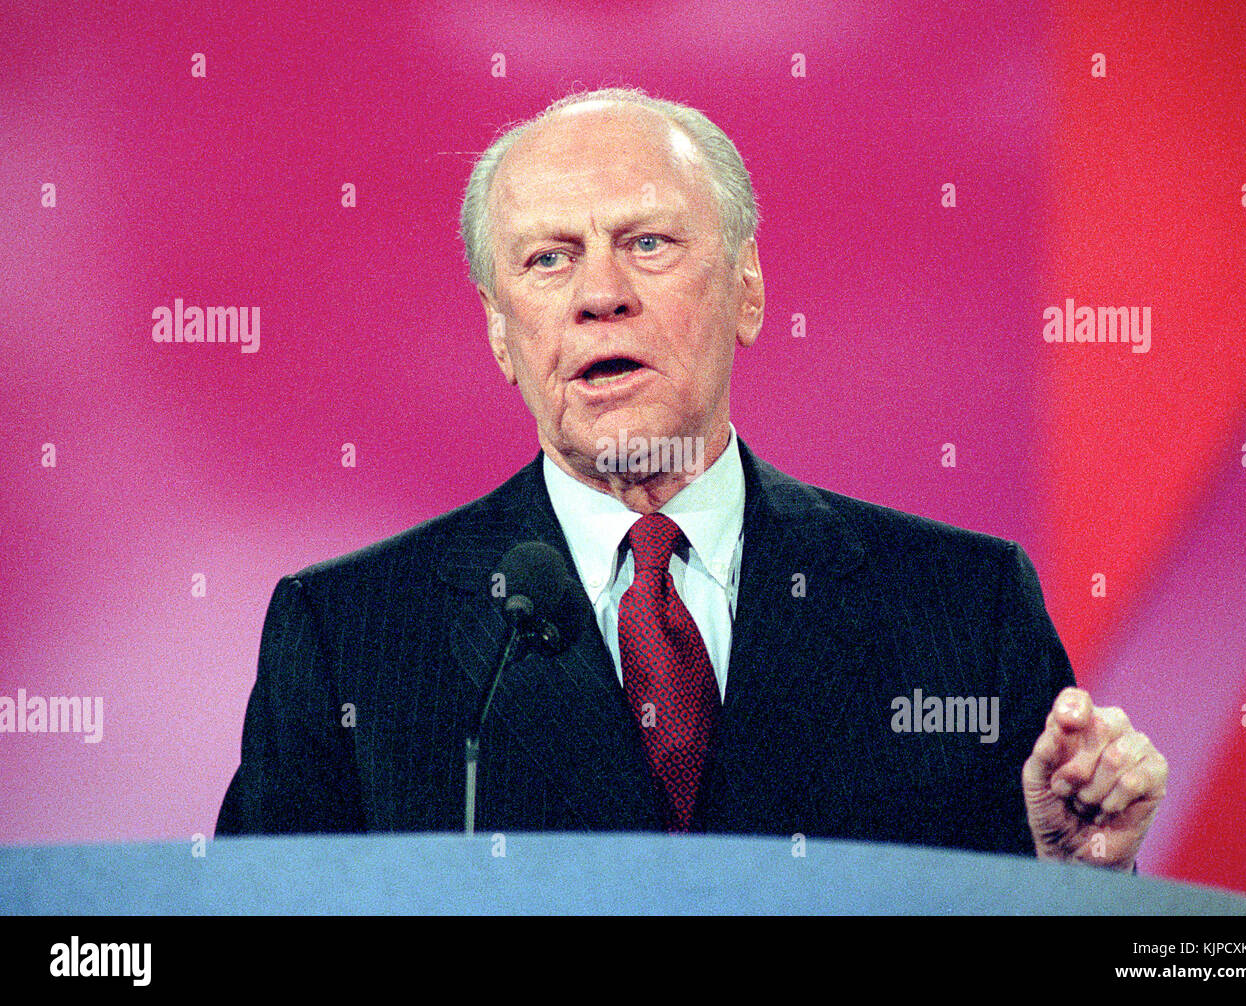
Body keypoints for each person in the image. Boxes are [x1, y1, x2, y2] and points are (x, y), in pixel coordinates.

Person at [217, 87, 1167, 870]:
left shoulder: (961, 606)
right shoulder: (350, 635)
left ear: (748, 289)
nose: (600, 296)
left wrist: (1078, 886)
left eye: (648, 244)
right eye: (549, 260)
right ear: (502, 334)